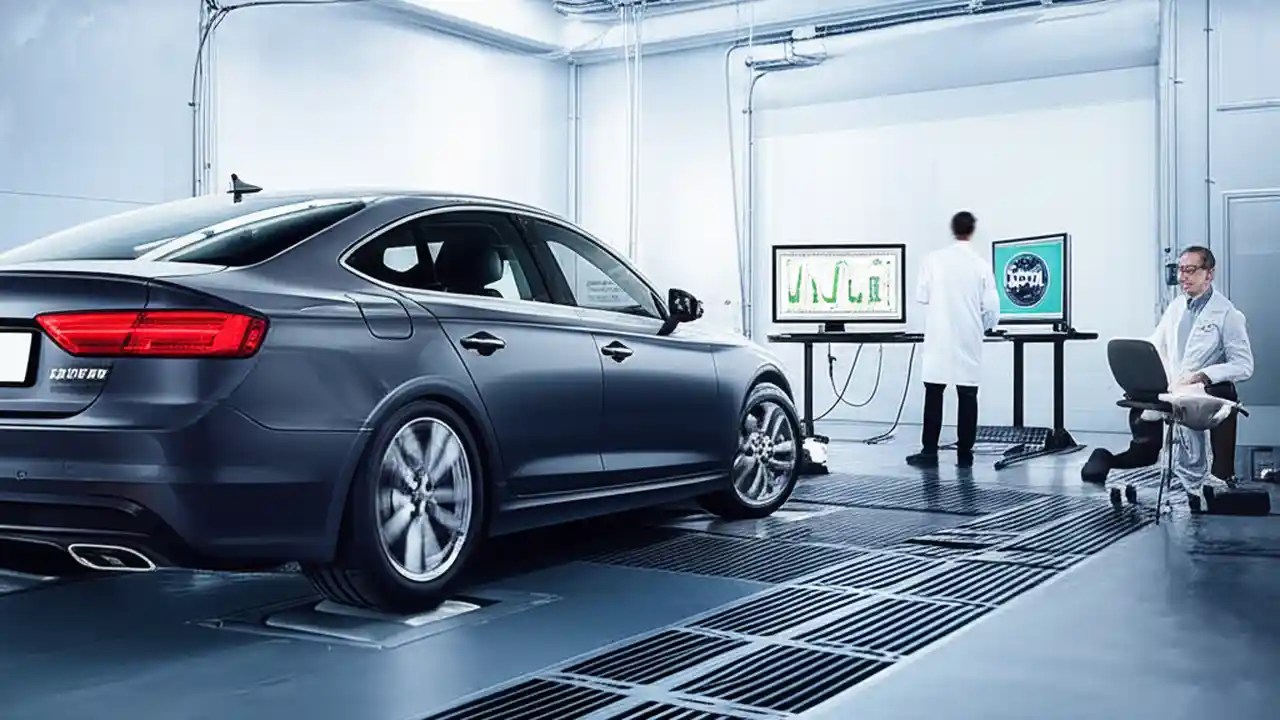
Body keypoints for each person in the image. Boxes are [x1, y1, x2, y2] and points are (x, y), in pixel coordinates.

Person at [1082, 245, 1253, 504]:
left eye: (1190, 270)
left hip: (1199, 393)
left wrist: (1203, 376)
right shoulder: (1176, 307)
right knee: (1146, 431)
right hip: (1172, 389)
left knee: (1225, 398)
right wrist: (1140, 372)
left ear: (1209, 274)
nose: (1183, 277)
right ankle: (1113, 458)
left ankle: (1219, 477)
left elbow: (1243, 364)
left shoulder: (1228, 315)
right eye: (1180, 270)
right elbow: (1154, 344)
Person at [907, 211, 1001, 469]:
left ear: (953, 229)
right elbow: (992, 309)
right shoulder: (981, 265)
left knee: (934, 392)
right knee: (968, 394)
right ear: (972, 231)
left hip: (939, 336)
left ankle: (928, 451)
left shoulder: (932, 260)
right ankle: (964, 454)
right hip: (969, 336)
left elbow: (923, 296)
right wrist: (984, 327)